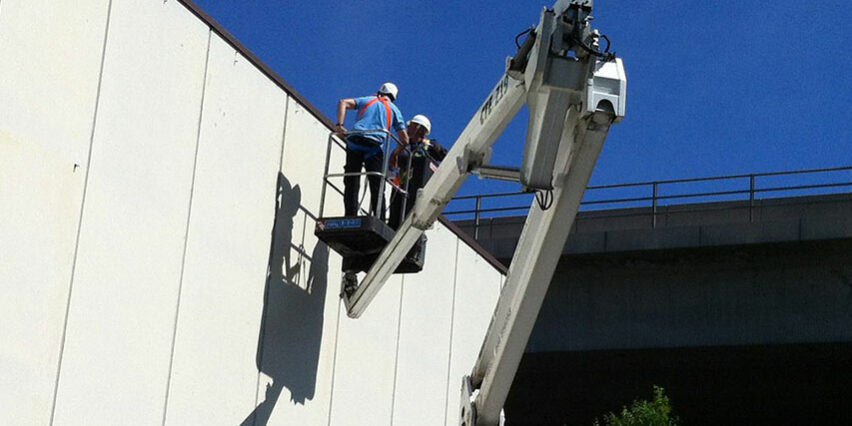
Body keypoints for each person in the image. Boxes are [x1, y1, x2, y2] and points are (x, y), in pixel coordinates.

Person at [335, 82, 409, 218]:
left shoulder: (367, 100)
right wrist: (395, 153)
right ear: (393, 97)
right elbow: (404, 139)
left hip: (354, 142)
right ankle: (379, 218)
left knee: (351, 181)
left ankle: (350, 215)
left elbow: (343, 102)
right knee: (377, 185)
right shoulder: (393, 109)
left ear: (380, 91)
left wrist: (340, 126)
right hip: (373, 146)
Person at [387, 114, 447, 229]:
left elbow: (446, 158)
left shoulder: (430, 146)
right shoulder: (404, 145)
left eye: (411, 125)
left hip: (418, 189)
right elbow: (393, 163)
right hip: (401, 186)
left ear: (419, 128)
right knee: (395, 215)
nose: (407, 127)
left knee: (410, 217)